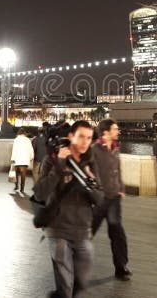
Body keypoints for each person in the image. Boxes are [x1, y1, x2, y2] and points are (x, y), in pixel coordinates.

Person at [34, 120, 103, 298]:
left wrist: (88, 182)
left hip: (82, 232)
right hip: (58, 231)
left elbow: (99, 198)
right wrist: (59, 166)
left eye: (89, 138)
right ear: (71, 137)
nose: (85, 142)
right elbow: (40, 193)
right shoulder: (51, 161)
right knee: (66, 288)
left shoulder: (89, 163)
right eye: (81, 137)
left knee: (80, 285)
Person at [91, 119, 131, 281]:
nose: (118, 131)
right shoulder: (94, 149)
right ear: (106, 132)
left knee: (117, 232)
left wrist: (121, 188)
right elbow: (92, 173)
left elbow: (118, 170)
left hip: (114, 198)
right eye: (115, 129)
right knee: (88, 233)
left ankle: (121, 267)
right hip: (99, 199)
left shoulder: (115, 148)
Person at [10, 128, 34, 194]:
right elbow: (31, 150)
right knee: (23, 175)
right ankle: (22, 189)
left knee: (16, 174)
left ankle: (16, 186)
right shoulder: (28, 140)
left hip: (17, 159)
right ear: (24, 133)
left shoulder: (16, 140)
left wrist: (12, 159)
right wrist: (31, 157)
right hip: (25, 160)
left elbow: (14, 150)